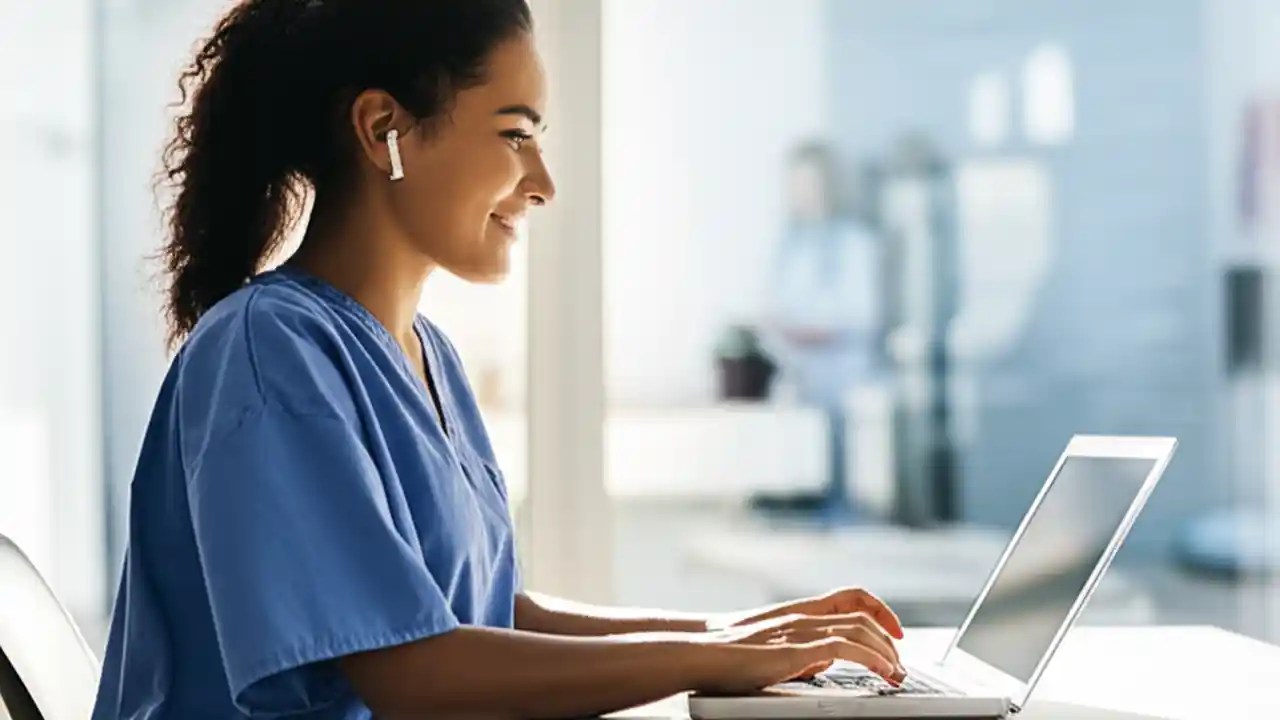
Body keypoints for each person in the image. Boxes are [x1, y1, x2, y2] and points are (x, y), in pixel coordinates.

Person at [91, 2, 906, 718]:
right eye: (515, 134)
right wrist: (717, 661)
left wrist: (733, 633)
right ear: (385, 131)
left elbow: (483, 620)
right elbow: (413, 671)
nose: (542, 182)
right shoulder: (267, 351)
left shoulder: (424, 354)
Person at [764, 142, 885, 522]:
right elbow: (777, 304)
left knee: (845, 460)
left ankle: (844, 518)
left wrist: (814, 332)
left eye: (810, 183)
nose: (802, 193)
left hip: (844, 370)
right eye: (795, 184)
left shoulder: (855, 243)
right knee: (807, 457)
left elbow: (863, 314)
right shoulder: (790, 244)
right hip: (802, 371)